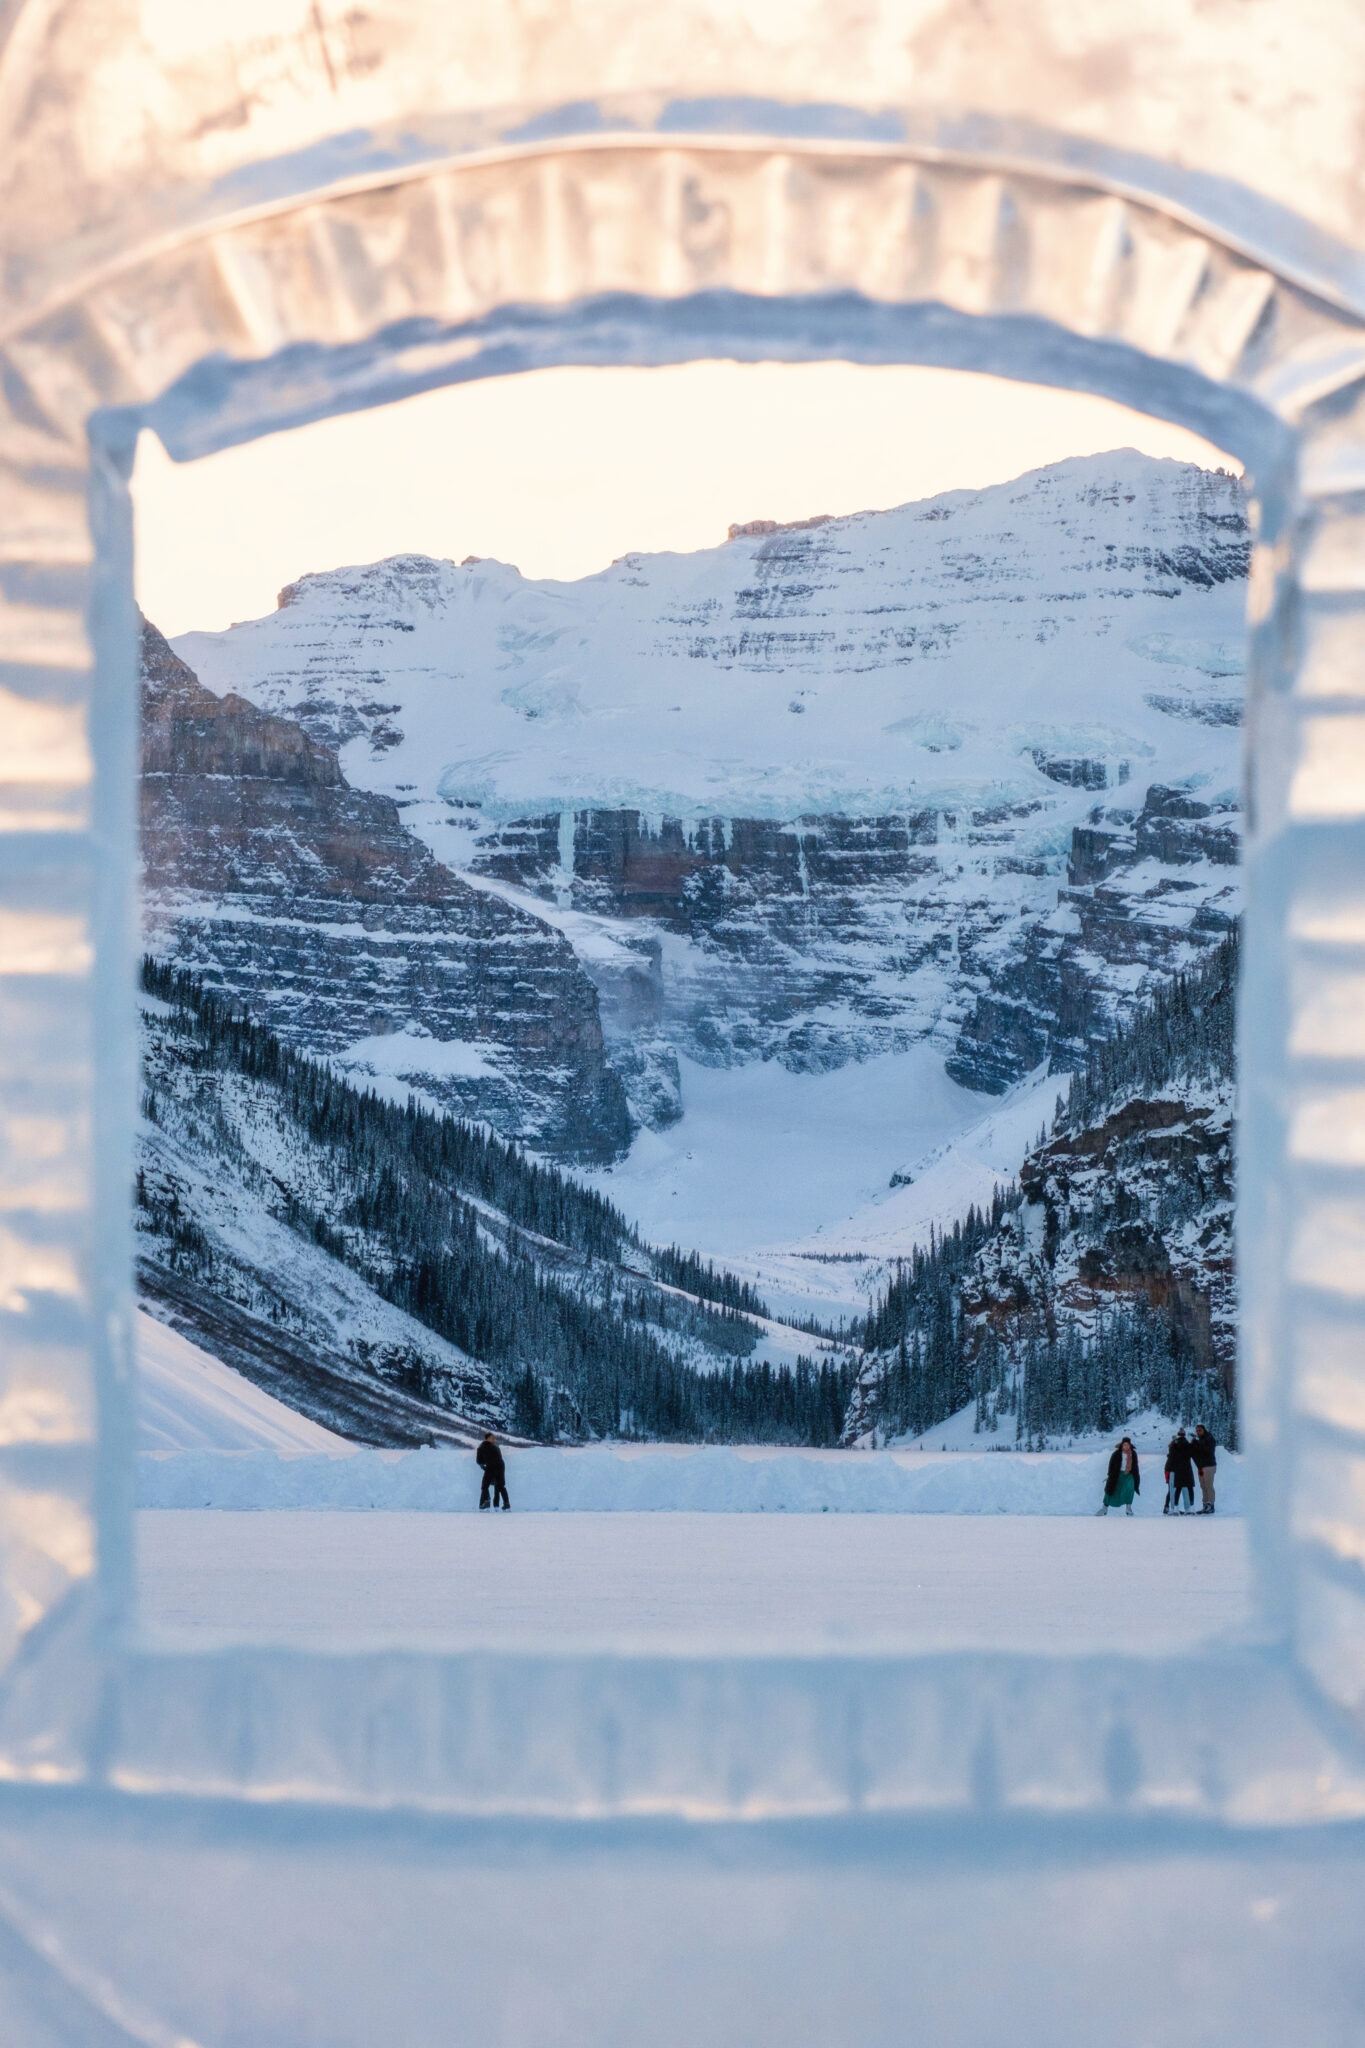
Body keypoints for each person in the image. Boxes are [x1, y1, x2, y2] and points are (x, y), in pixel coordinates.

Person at [1098, 1437, 1140, 1515]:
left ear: (1130, 1445)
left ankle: (1128, 1509)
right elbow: (1111, 1464)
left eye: (1128, 1444)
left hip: (1129, 1475)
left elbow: (1135, 1465)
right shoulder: (1116, 1453)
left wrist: (1136, 1476)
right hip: (1117, 1474)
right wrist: (1110, 1475)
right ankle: (1104, 1509)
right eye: (1125, 1444)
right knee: (1111, 1490)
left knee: (1130, 1490)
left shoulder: (1133, 1453)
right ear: (1122, 1445)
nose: (1126, 1446)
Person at [1165, 1428, 1196, 1514]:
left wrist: (1168, 1469)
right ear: (1184, 1435)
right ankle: (1190, 1508)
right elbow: (1192, 1452)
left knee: (1177, 1488)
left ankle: (1175, 1508)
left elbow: (1171, 1457)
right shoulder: (1188, 1445)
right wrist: (1194, 1441)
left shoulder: (1174, 1446)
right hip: (1187, 1469)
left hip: (1177, 1469)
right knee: (1189, 1488)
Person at [476, 1432, 509, 1511]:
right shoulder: (495, 1447)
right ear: (487, 1438)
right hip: (499, 1468)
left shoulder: (482, 1447)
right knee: (500, 1486)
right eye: (492, 1437)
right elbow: (499, 1459)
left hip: (491, 1468)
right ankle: (505, 1505)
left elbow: (479, 1461)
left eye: (494, 1437)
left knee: (485, 1486)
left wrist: (484, 1466)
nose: (494, 1439)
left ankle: (486, 1503)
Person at [1192, 1424, 1217, 1513]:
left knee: (1209, 1486)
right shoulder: (1202, 1440)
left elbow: (1207, 1450)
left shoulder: (1209, 1438)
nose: (1198, 1432)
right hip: (1202, 1467)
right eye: (1197, 1431)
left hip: (1209, 1466)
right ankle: (1205, 1504)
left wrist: (1197, 1443)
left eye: (1200, 1430)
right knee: (1203, 1486)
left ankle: (1211, 1505)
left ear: (1204, 1430)